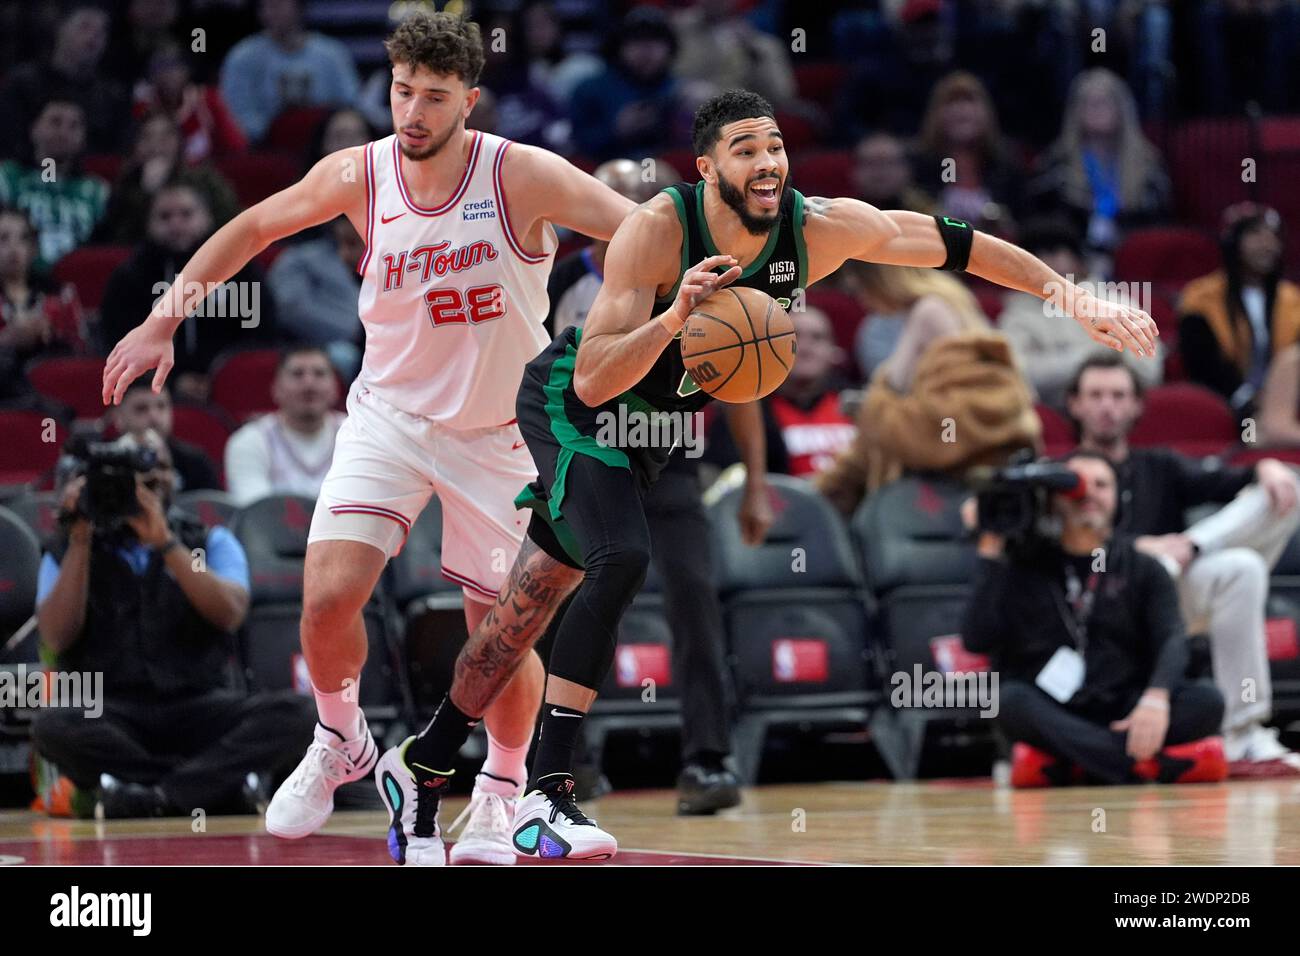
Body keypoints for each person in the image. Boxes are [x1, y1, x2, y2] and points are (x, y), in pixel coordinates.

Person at [390, 88, 1157, 863]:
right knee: (621, 556)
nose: (768, 164)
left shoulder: (818, 228)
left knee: (524, 612)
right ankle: (548, 792)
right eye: (747, 151)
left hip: (657, 426)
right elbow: (590, 378)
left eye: (776, 147)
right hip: (574, 405)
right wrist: (673, 317)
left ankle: (425, 760)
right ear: (707, 167)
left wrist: (1069, 295)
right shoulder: (657, 230)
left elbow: (956, 244)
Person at [101, 11, 636, 866]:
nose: (412, 112)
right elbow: (252, 228)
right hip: (388, 415)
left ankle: (499, 791)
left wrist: (682, 305)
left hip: (501, 432)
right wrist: (165, 321)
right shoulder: (362, 172)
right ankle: (340, 736)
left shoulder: (522, 174)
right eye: (399, 91)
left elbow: (640, 232)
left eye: (432, 96)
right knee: (325, 600)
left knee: (496, 636)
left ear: (471, 98)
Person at [545, 157, 749, 815]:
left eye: (647, 198)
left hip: (670, 458)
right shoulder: (558, 284)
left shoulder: (705, 278)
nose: (636, 209)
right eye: (621, 196)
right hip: (585, 459)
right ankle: (567, 764)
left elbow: (744, 385)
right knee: (563, 599)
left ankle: (708, 761)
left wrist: (761, 484)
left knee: (694, 594)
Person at [30, 430, 317, 818]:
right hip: (113, 711)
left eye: (155, 470)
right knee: (53, 726)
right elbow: (57, 636)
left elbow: (229, 613)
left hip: (198, 704)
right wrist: (81, 538)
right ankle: (207, 789)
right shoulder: (69, 547)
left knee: (300, 714)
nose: (142, 486)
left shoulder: (206, 542)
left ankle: (148, 793)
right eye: (128, 478)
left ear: (173, 479)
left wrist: (166, 544)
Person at [1067, 352, 1300, 774]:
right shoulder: (1063, 475)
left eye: (1118, 395)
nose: (1107, 406)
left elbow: (1230, 480)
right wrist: (1139, 550)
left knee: (1277, 509)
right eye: (1096, 395)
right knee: (1229, 565)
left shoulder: (1159, 464)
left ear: (1138, 404)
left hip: (1169, 599)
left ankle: (1241, 733)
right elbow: (1058, 553)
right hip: (1098, 608)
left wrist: (1265, 464)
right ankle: (1176, 554)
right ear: (1074, 404)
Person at [961, 452, 1226, 786]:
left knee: (1207, 701)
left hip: (1127, 707)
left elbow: (1171, 638)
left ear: (1117, 497)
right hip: (1055, 707)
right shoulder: (1024, 565)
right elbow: (976, 638)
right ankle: (1138, 764)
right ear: (1054, 498)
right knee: (1006, 700)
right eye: (1075, 485)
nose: (1088, 494)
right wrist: (990, 548)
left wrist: (1156, 698)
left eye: (1102, 485)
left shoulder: (1143, 567)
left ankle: (1074, 765)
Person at [100, 181, 277, 404]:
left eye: (186, 214)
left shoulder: (241, 268)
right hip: (156, 393)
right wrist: (174, 380)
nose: (176, 224)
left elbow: (262, 335)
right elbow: (118, 342)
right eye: (164, 216)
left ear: (207, 217)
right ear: (148, 223)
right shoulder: (130, 276)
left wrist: (221, 377)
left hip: (234, 388)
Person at [999, 217, 1161, 409]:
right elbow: (1016, 374)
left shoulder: (1115, 303)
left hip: (1116, 409)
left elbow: (1150, 369)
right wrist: (1092, 353)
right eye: (1036, 255)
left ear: (1077, 258)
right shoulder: (1017, 312)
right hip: (1052, 413)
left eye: (1055, 252)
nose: (1046, 262)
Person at [1023, 68, 1170, 268]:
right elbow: (1039, 223)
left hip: (1134, 261)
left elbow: (1160, 225)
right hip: (1071, 262)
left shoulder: (1149, 164)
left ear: (1122, 109)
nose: (1096, 108)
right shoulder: (1055, 162)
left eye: (1104, 102)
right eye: (1087, 103)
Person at [1179, 203, 1300, 416]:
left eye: (1273, 236)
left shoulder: (1293, 299)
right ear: (1233, 241)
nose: (1267, 244)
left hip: (1285, 402)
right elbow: (1203, 364)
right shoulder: (1200, 298)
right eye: (1255, 234)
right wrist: (1245, 398)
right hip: (1223, 402)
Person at [218, 0, 362, 144]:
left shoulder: (332, 54)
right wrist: (275, 133)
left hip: (324, 145)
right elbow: (234, 113)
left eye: (276, 6)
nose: (268, 13)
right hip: (265, 147)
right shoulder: (242, 57)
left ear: (299, 8)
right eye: (263, 7)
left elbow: (349, 104)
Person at [0, 5, 131, 160]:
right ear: (61, 29)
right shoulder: (22, 82)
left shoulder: (112, 96)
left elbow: (116, 152)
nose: (94, 36)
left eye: (102, 31)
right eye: (85, 26)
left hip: (85, 179)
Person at [95, 114, 240, 246]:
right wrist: (146, 193)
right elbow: (120, 238)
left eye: (165, 137)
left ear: (179, 142)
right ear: (135, 146)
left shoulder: (206, 180)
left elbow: (230, 222)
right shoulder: (124, 187)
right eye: (147, 137)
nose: (156, 145)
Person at [224, 346, 344, 505]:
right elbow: (256, 514)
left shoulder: (359, 436)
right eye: (297, 374)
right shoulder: (248, 441)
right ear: (276, 389)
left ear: (335, 389)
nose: (309, 384)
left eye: (319, 374)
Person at [0, 99, 110, 272]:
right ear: (34, 129)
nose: (64, 132)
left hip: (76, 281)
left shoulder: (97, 191)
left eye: (74, 126)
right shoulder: (7, 177)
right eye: (55, 121)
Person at [908, 71, 1023, 234]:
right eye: (952, 102)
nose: (961, 109)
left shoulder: (1006, 165)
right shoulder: (920, 165)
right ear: (936, 115)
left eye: (969, 100)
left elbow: (1024, 221)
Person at [568, 7, 684, 162]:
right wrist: (615, 130)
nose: (646, 50)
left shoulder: (681, 91)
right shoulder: (590, 90)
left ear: (670, 48)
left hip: (668, 176)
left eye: (655, 41)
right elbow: (574, 148)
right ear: (618, 47)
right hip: (606, 175)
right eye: (636, 40)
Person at [0, 205, 86, 402]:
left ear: (34, 247)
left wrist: (50, 337)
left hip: (51, 396)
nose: (14, 247)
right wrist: (6, 340)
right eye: (3, 238)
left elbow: (80, 352)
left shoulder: (61, 294)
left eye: (23, 238)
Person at [265, 215, 364, 378]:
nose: (345, 255)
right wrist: (355, 331)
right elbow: (292, 310)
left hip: (371, 341)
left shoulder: (390, 262)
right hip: (323, 346)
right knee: (344, 355)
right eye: (349, 241)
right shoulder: (298, 260)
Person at [131, 41, 249, 164]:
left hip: (203, 173)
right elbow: (129, 147)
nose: (167, 73)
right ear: (151, 74)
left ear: (186, 69)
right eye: (159, 67)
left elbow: (236, 146)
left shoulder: (208, 100)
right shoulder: (143, 102)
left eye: (173, 66)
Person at [110, 379, 222, 494]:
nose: (154, 417)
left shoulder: (195, 463)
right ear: (118, 417)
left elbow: (214, 508)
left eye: (161, 406)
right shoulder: (103, 462)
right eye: (141, 409)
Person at [851, 132, 935, 216]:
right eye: (871, 163)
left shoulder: (929, 213)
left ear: (906, 169)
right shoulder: (844, 213)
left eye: (889, 163)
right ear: (855, 171)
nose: (880, 172)